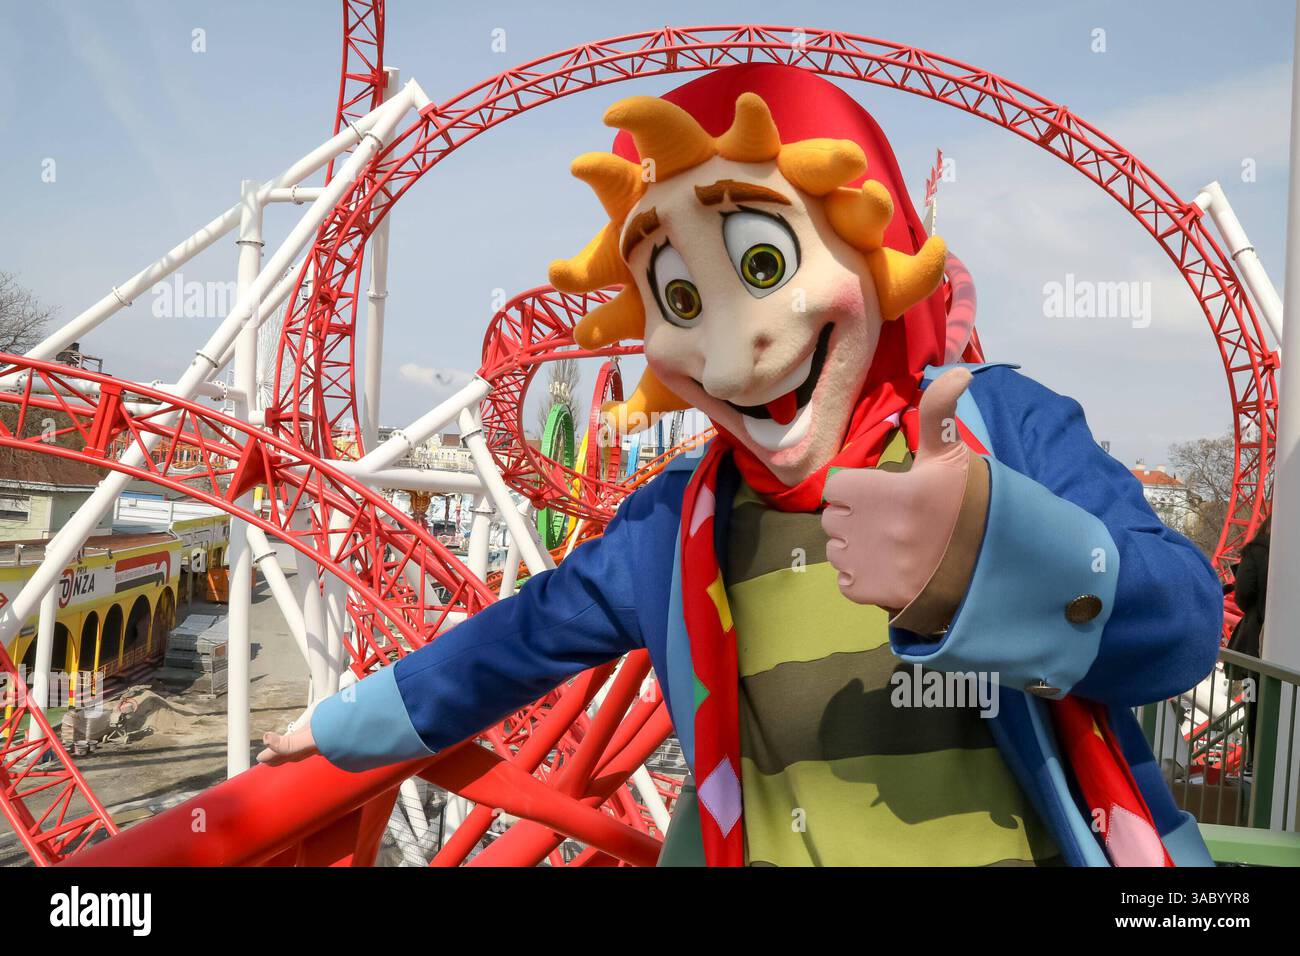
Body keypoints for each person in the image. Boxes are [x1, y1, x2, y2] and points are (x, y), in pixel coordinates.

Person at [259, 64, 1223, 866]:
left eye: (763, 266)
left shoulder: (1001, 425)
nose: (727, 359)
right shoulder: (675, 525)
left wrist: (993, 554)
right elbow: (519, 640)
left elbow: (1181, 627)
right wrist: (347, 722)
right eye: (679, 299)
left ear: (873, 247)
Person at [1226, 515, 1271, 767]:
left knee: (1252, 704)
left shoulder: (1255, 552)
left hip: (1254, 642)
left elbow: (1243, 595)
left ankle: (1254, 763)